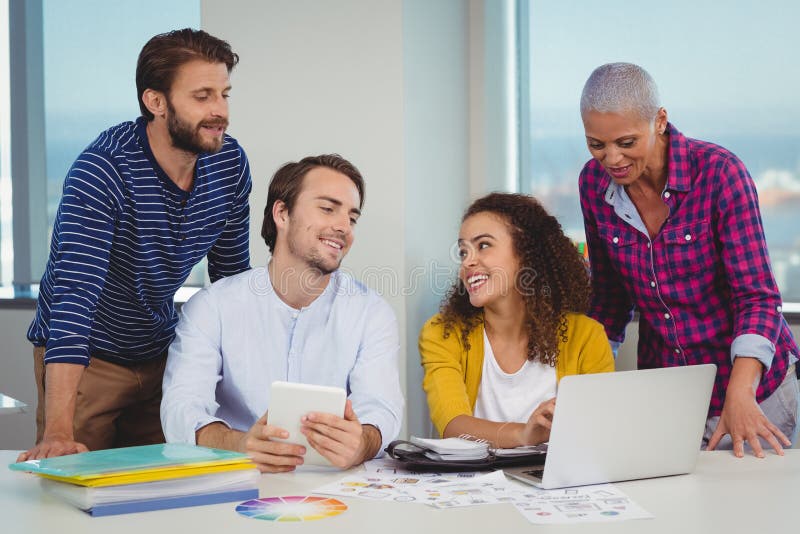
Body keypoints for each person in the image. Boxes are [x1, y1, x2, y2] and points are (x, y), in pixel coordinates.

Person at [19, 29, 252, 462]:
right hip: (89, 360)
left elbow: (231, 286)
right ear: (156, 101)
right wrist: (57, 432)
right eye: (202, 96)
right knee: (75, 481)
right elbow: (74, 300)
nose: (220, 111)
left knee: (167, 484)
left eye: (224, 94)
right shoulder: (103, 171)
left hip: (162, 353)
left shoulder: (230, 164)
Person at [579, 62, 800, 458]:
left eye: (626, 142)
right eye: (597, 145)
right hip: (668, 397)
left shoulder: (719, 173)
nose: (612, 158)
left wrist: (740, 391)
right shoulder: (592, 184)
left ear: (659, 121)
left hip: (752, 392)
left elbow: (757, 299)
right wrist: (581, 387)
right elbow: (609, 300)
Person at [161, 154, 404, 472]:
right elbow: (181, 408)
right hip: (240, 481)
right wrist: (240, 444)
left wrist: (362, 443)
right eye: (328, 208)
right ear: (282, 213)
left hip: (334, 486)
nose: (344, 227)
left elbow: (381, 408)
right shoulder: (211, 307)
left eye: (352, 217)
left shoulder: (372, 313)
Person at [419, 193, 614, 447]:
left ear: (526, 253)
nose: (468, 262)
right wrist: (524, 435)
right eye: (463, 252)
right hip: (474, 473)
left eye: (483, 245)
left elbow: (600, 429)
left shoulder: (587, 336)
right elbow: (452, 425)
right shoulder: (443, 333)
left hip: (556, 472)